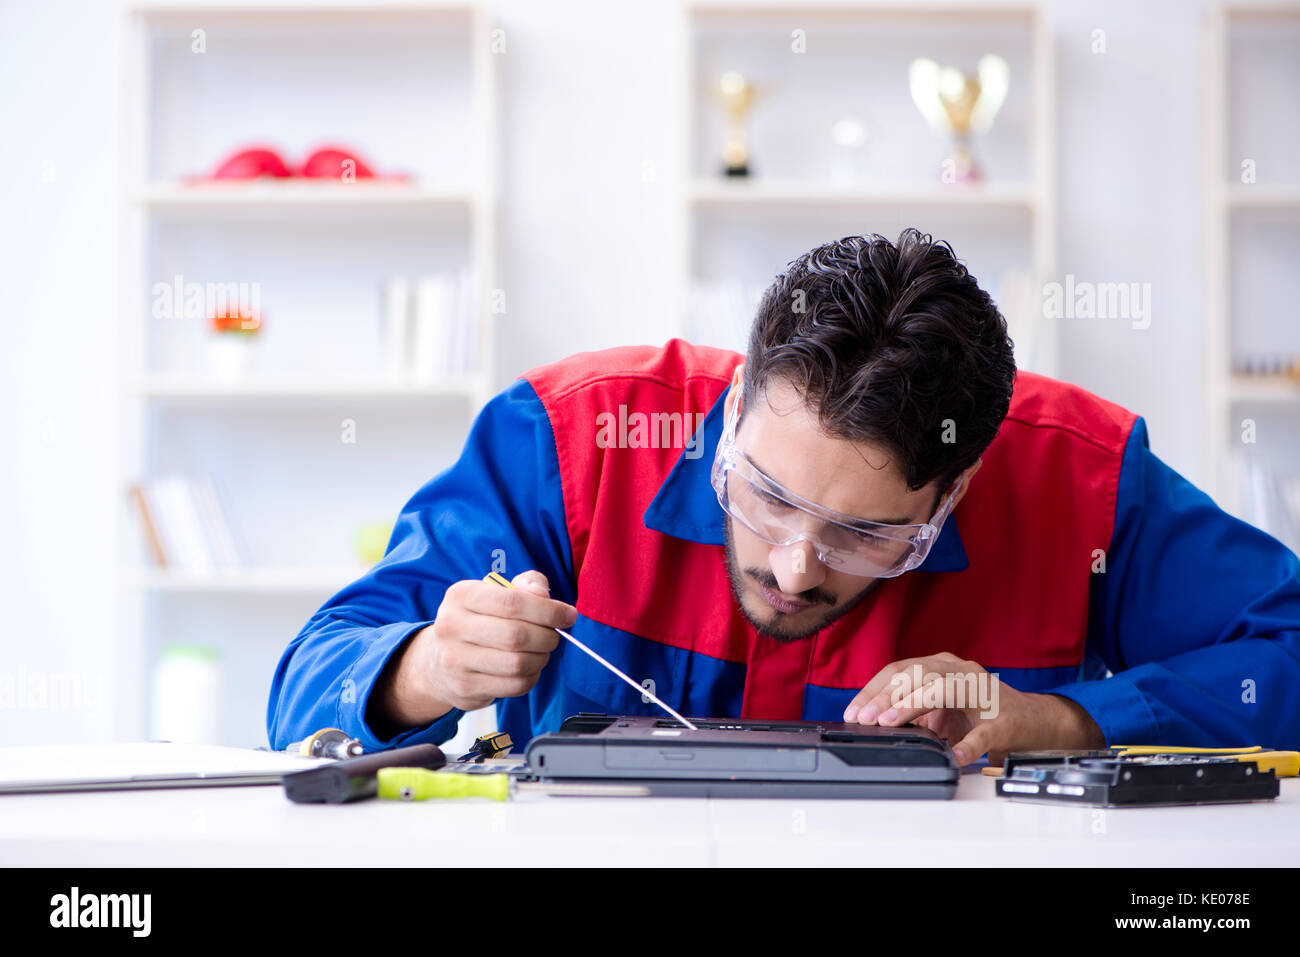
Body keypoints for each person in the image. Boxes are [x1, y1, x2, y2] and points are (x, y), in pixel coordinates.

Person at [266, 229, 1300, 766]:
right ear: (732, 400)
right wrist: (424, 669)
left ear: (960, 483)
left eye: (865, 532)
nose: (795, 566)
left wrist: (1060, 718)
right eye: (762, 496)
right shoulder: (571, 437)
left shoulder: (1079, 477)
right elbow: (302, 686)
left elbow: (1285, 654)